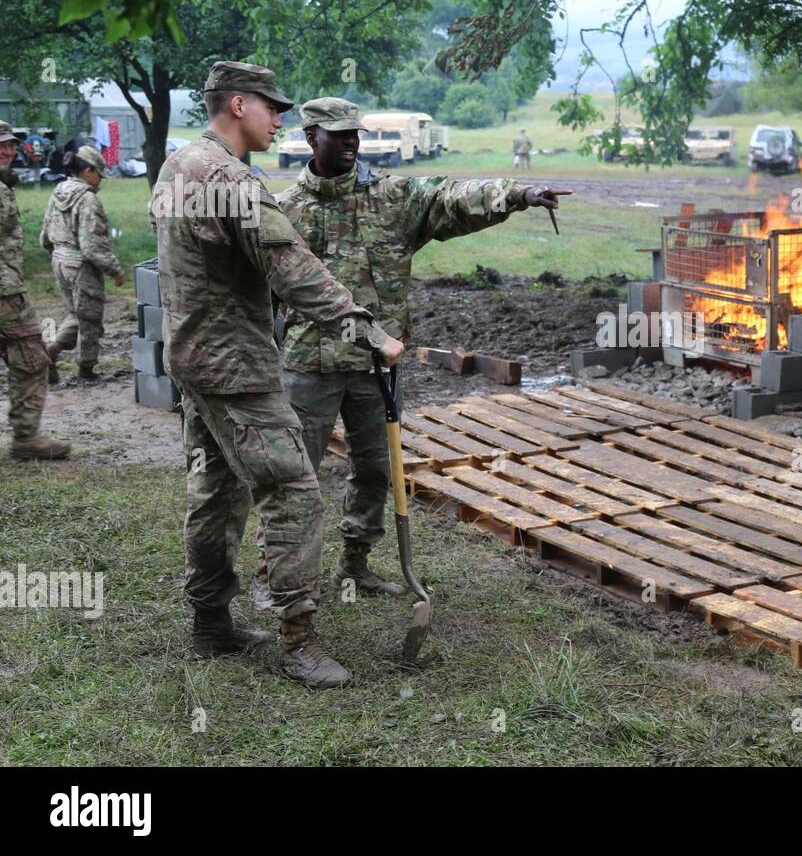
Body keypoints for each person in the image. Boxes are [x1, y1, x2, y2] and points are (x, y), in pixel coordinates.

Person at [253, 97, 569, 608]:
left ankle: (355, 562)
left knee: (376, 467)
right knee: (294, 475)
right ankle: (276, 576)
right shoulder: (284, 211)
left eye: (356, 132)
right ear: (311, 139)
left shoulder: (393, 197)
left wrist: (520, 193)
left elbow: (453, 197)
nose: (352, 142)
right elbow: (263, 294)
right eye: (339, 135)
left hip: (378, 366)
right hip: (310, 365)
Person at [150, 62, 405, 688]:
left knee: (216, 492)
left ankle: (211, 624)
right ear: (239, 105)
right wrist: (369, 331)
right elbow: (289, 266)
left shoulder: (178, 164)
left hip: (192, 360)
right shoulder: (229, 178)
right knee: (294, 492)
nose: (281, 119)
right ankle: (299, 640)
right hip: (236, 367)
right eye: (272, 107)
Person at [0, 119, 70, 460]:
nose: (8, 151)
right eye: (1, 146)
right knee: (31, 359)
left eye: (11, 144)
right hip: (4, 291)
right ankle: (26, 437)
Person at [41, 144, 126, 383]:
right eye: (99, 173)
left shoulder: (58, 191)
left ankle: (49, 354)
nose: (100, 180)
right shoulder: (88, 200)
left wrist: (56, 254)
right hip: (80, 265)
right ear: (88, 170)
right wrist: (115, 269)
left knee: (75, 314)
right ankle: (85, 370)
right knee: (89, 319)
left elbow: (45, 233)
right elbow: (92, 246)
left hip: (59, 260)